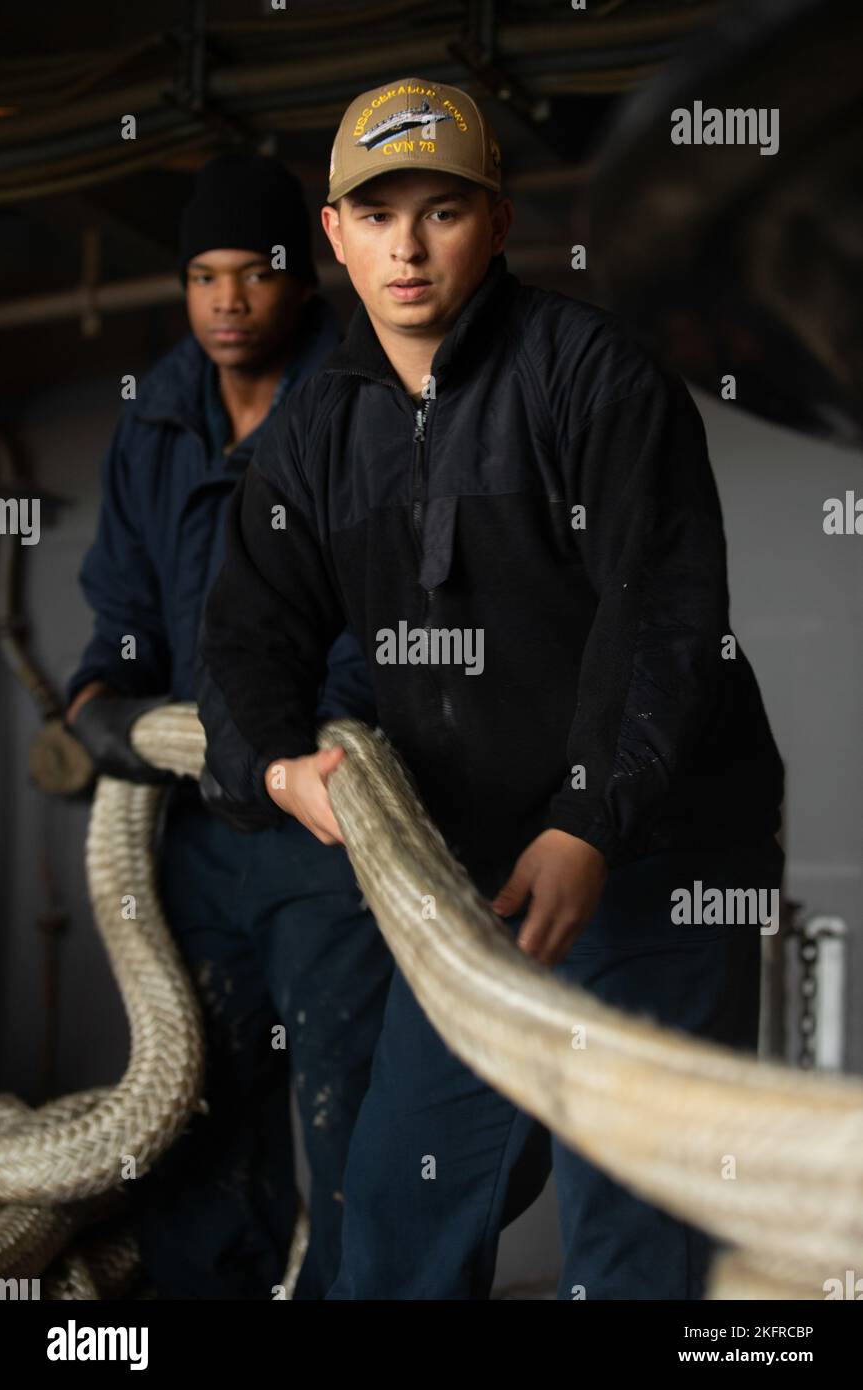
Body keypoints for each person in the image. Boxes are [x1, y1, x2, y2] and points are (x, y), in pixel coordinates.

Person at [196, 81, 786, 1300]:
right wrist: (268, 762)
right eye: (378, 215)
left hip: (659, 853)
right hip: (472, 885)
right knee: (403, 1219)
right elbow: (245, 632)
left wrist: (589, 821)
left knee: (629, 1234)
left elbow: (662, 614)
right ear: (334, 234)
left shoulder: (593, 377)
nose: (407, 248)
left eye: (442, 211)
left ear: (499, 221)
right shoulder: (313, 436)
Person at [64, 150, 393, 1300]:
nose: (224, 302)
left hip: (320, 820)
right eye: (202, 276)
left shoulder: (358, 404)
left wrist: (300, 739)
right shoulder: (155, 413)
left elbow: (382, 608)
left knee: (341, 1096)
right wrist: (102, 693)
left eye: (249, 275)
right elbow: (125, 603)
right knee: (199, 1101)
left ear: (299, 277)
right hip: (198, 830)